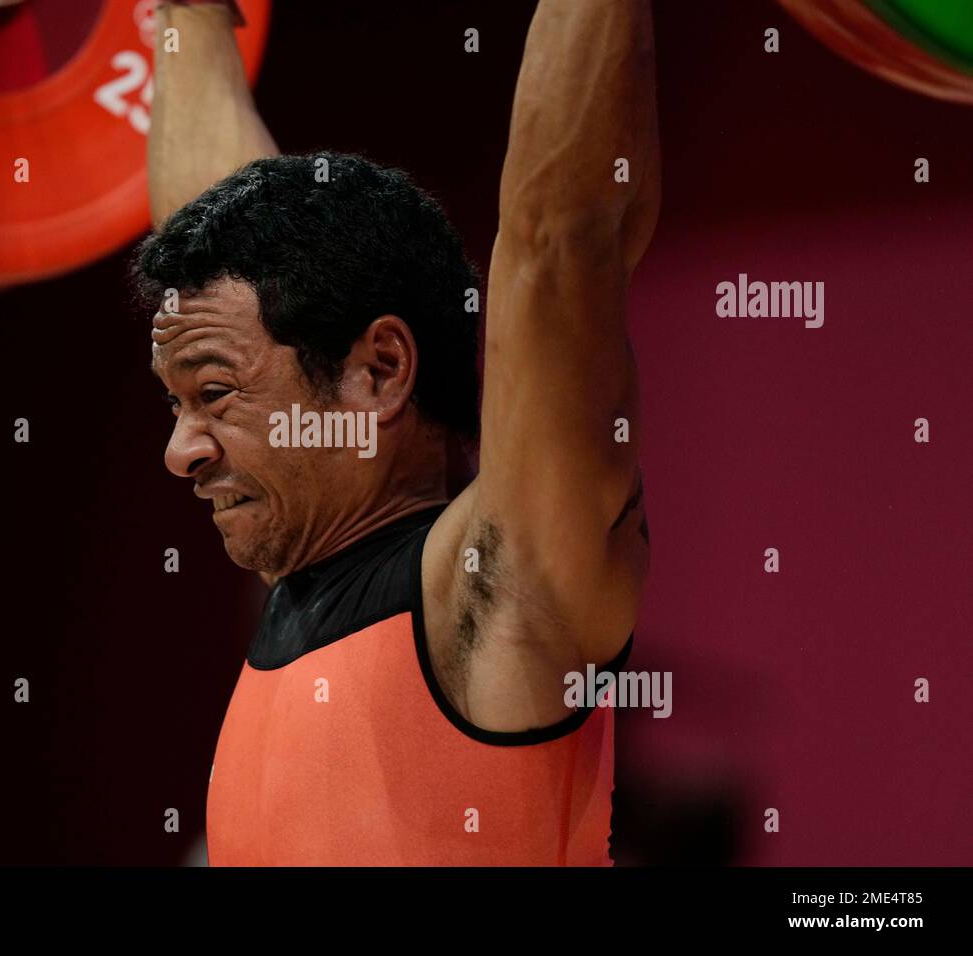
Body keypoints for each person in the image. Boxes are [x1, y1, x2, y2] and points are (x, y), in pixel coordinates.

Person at [135, 0, 659, 865]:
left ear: (378, 371)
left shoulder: (496, 594)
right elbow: (217, 230)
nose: (180, 450)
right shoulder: (311, 579)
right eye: (178, 402)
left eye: (217, 396)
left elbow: (563, 241)